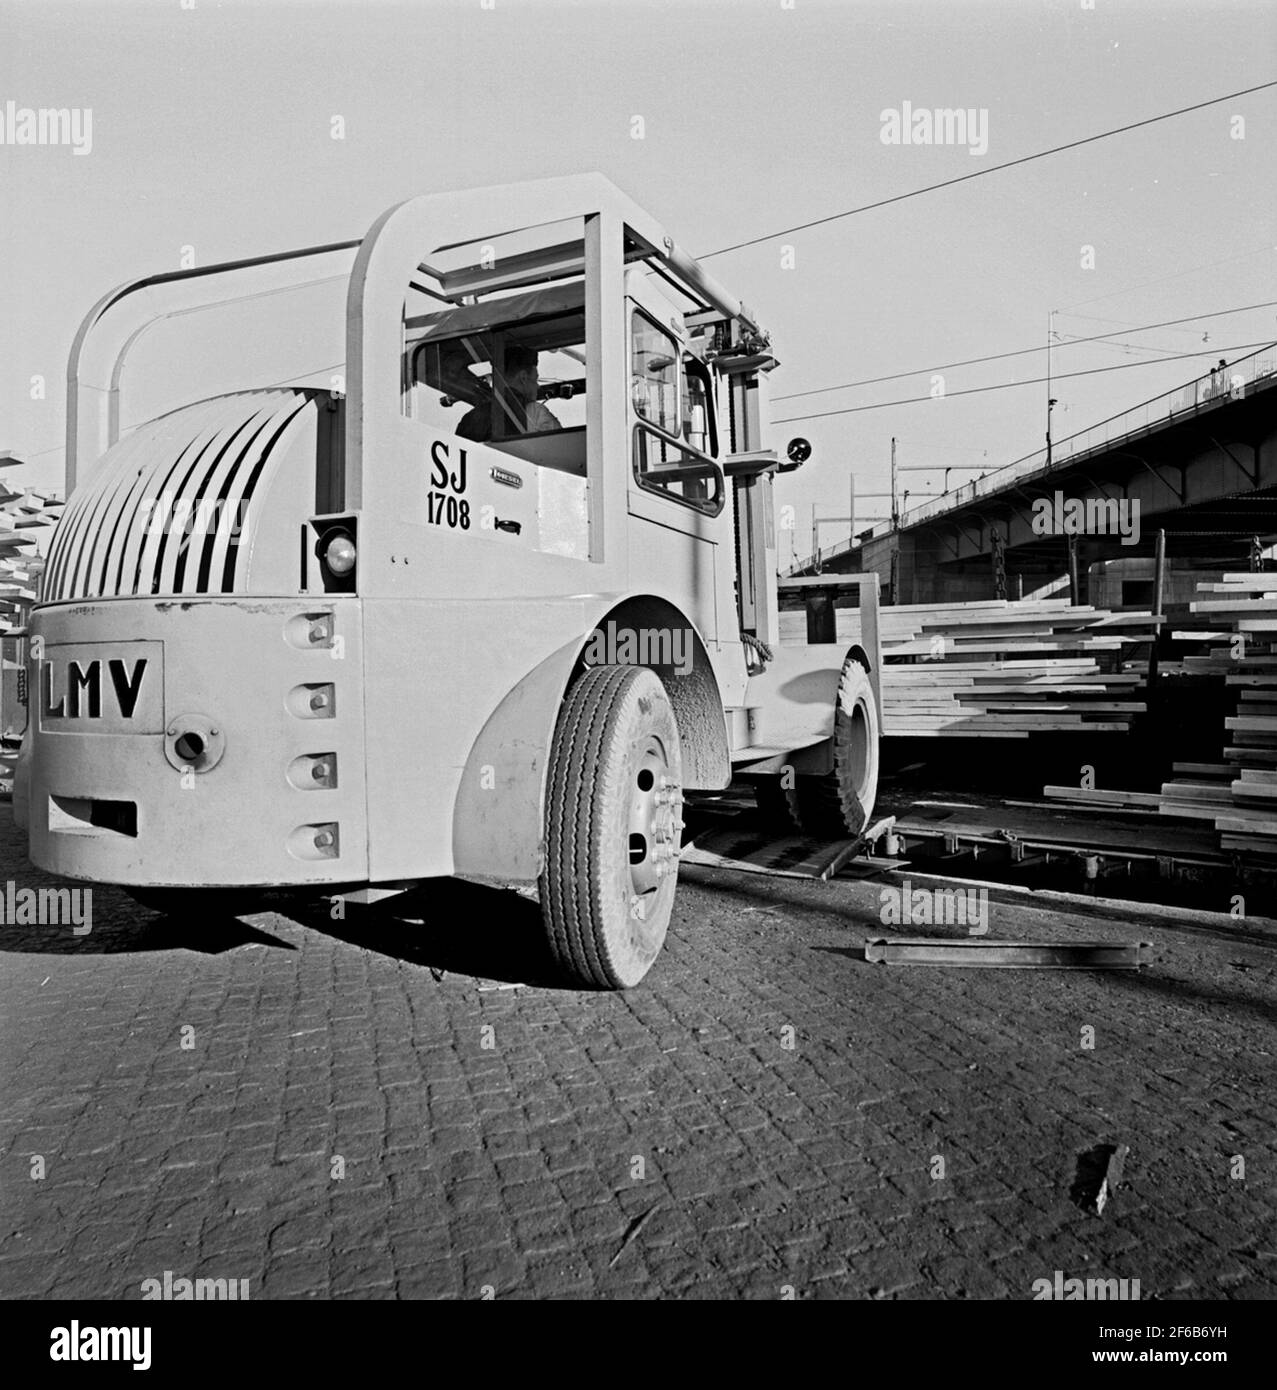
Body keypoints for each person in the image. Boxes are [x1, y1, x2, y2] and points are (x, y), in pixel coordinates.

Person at [458, 345, 560, 441]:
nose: (537, 386)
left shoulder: (471, 417)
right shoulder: (535, 413)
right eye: (535, 380)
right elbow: (562, 447)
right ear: (523, 377)